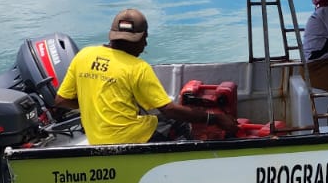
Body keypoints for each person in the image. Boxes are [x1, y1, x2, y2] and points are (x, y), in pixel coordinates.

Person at [54, 8, 235, 144]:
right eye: (144, 38)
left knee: (153, 118)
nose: (145, 44)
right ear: (138, 39)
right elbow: (169, 110)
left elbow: (61, 100)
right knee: (177, 124)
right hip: (131, 138)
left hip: (97, 139)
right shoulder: (137, 67)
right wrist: (214, 118)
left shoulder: (84, 55)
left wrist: (93, 105)